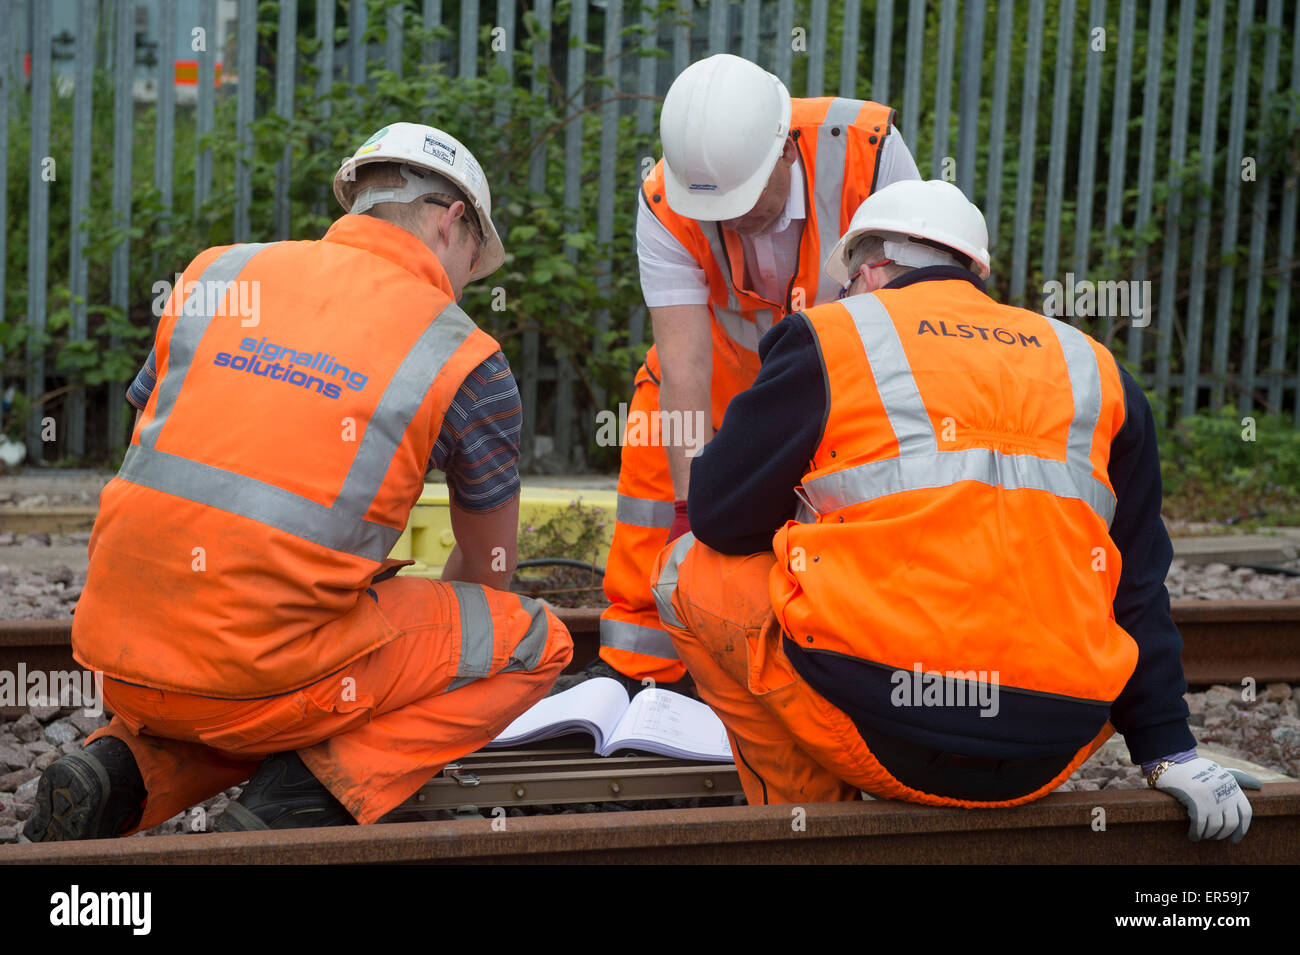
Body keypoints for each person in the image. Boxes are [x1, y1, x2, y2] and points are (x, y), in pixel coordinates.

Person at [649, 179, 1258, 842]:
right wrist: (1172, 749)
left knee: (688, 568)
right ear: (973, 269)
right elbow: (1138, 584)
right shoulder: (1091, 366)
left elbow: (719, 515)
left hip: (881, 732)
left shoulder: (833, 336)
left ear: (872, 267)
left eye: (849, 282)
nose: (846, 297)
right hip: (1050, 747)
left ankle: (805, 817)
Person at [24, 122, 573, 839]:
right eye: (475, 258)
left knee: (262, 671)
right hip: (259, 677)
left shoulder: (216, 273)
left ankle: (122, 772)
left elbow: (159, 460)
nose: (468, 281)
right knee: (536, 642)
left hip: (121, 656)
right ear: (453, 221)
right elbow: (489, 574)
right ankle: (304, 796)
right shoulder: (463, 354)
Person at [562, 53, 921, 695]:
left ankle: (844, 653)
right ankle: (646, 668)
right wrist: (687, 515)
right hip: (722, 375)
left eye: (745, 200)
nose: (730, 221)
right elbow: (683, 363)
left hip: (845, 374)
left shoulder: (870, 155)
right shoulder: (667, 200)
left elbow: (911, 324)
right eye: (717, 209)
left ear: (785, 149)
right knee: (656, 428)